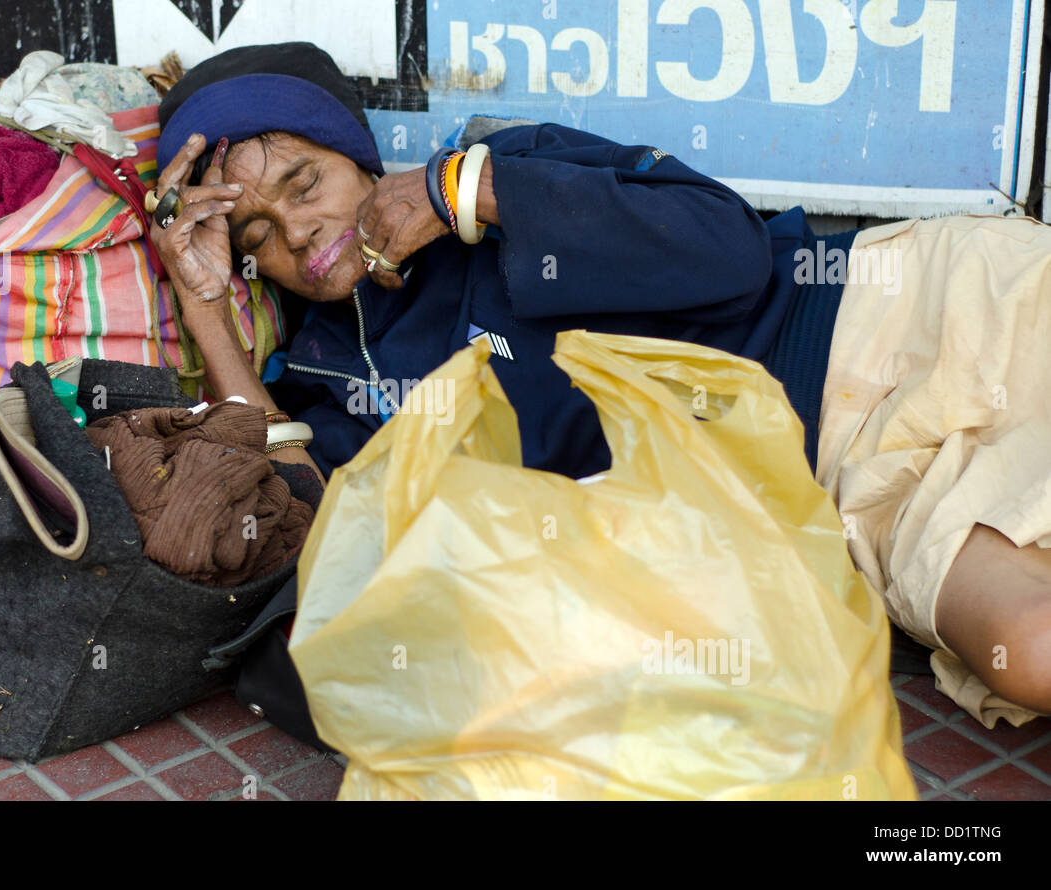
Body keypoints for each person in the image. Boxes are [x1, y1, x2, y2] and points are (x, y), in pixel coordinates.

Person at [148, 42, 1051, 728]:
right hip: (853, 492)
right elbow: (304, 520)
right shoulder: (324, 379)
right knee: (1028, 652)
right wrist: (204, 313)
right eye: (257, 234)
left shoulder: (496, 171)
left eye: (305, 182)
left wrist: (474, 192)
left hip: (912, 315)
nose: (299, 231)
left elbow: (730, 248)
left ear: (358, 158)